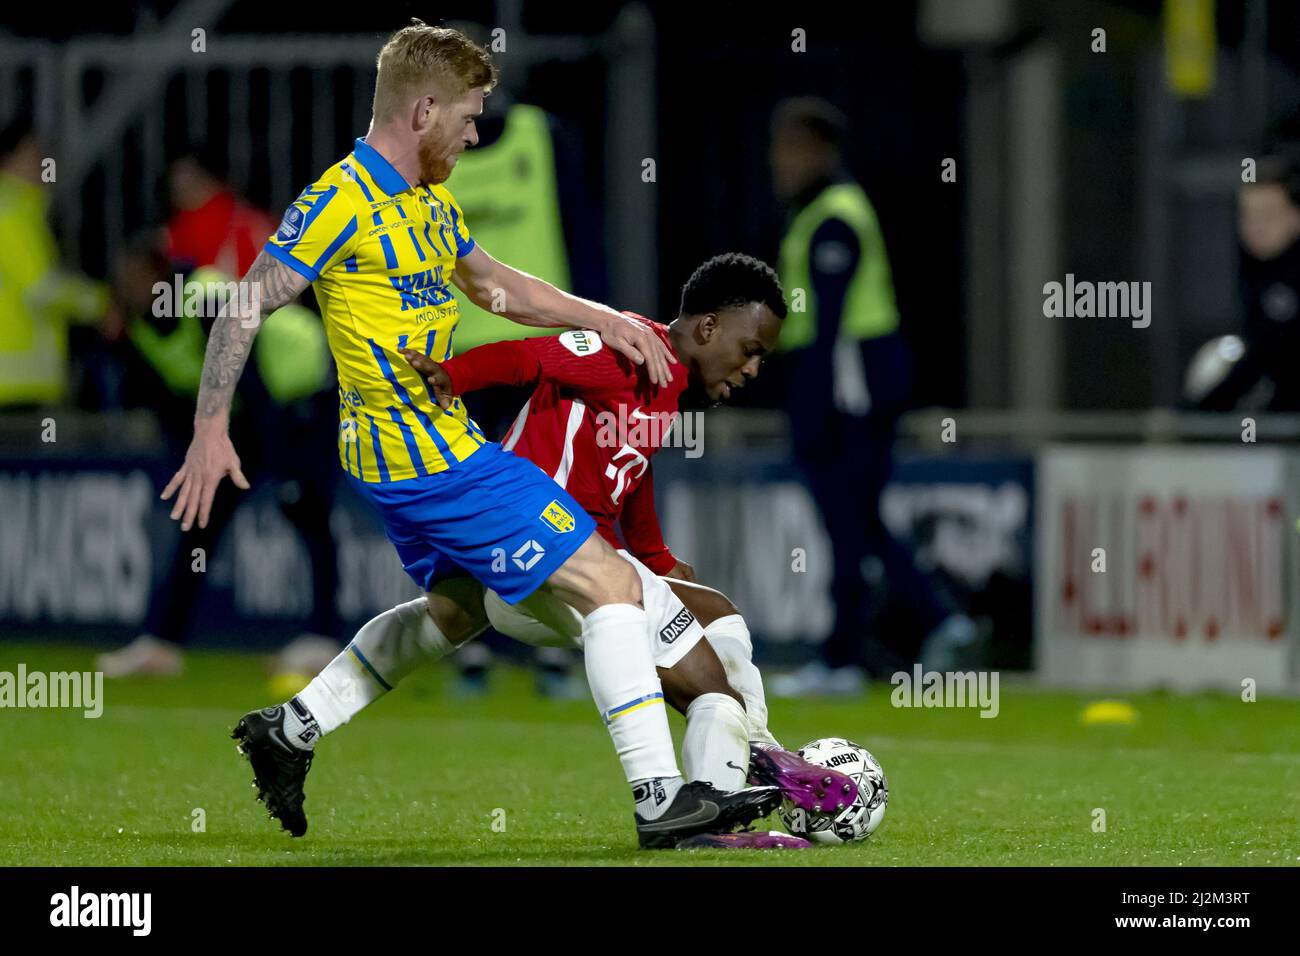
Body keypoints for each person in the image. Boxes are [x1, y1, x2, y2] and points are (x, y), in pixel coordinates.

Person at [160, 21, 777, 849]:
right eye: (469, 115)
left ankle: (292, 728)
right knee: (611, 589)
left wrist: (606, 319)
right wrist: (210, 429)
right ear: (423, 110)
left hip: (418, 452)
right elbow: (248, 301)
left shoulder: (428, 204)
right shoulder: (341, 198)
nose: (475, 131)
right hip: (429, 457)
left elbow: (498, 288)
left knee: (454, 613)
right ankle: (660, 797)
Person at [269, 254, 858, 850]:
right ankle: (724, 782)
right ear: (707, 327)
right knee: (711, 670)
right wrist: (454, 375)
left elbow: (631, 474)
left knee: (456, 613)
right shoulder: (627, 348)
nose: (755, 368)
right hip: (544, 555)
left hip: (546, 563)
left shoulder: (666, 389)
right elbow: (528, 357)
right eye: (751, 348)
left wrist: (654, 556)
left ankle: (295, 723)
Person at [765, 97, 978, 696]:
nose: (780, 163)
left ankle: (844, 658)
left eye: (791, 149)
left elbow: (829, 329)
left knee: (847, 521)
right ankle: (937, 622)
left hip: (848, 385)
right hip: (843, 382)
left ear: (820, 152)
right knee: (855, 522)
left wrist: (811, 410)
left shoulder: (835, 216)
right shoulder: (818, 212)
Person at [93, 239, 341, 676]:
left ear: (158, 274)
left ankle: (322, 638)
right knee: (198, 518)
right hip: (249, 413)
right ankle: (162, 645)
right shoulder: (143, 325)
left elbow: (250, 377)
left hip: (305, 390)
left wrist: (283, 465)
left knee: (306, 509)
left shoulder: (205, 299)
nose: (126, 288)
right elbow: (171, 401)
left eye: (134, 278)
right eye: (121, 281)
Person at [0, 115, 107, 407]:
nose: (45, 163)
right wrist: (101, 303)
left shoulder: (23, 211)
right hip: (14, 385)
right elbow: (41, 288)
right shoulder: (9, 211)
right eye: (36, 154)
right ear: (9, 159)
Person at [1187, 154, 1300, 411]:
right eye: (1247, 215)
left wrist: (1196, 415)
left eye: (1268, 214)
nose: (1255, 226)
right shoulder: (1256, 271)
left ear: (1295, 216)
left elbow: (1265, 353)